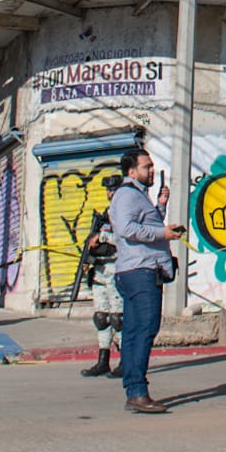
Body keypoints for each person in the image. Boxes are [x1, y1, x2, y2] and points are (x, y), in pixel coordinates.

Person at [108, 148, 186, 413]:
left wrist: (161, 209)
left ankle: (133, 389)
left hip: (139, 270)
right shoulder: (126, 195)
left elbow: (145, 223)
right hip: (140, 272)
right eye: (146, 167)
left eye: (152, 166)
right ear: (132, 172)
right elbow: (127, 228)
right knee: (145, 329)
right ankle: (138, 390)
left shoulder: (137, 196)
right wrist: (162, 233)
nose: (151, 170)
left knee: (133, 331)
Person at [80, 185, 122, 378]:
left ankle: (125, 361)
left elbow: (126, 240)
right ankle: (103, 360)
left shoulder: (124, 214)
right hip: (99, 269)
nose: (110, 193)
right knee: (101, 317)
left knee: (118, 318)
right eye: (108, 190)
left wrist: (103, 237)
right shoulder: (103, 217)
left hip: (116, 268)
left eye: (114, 189)